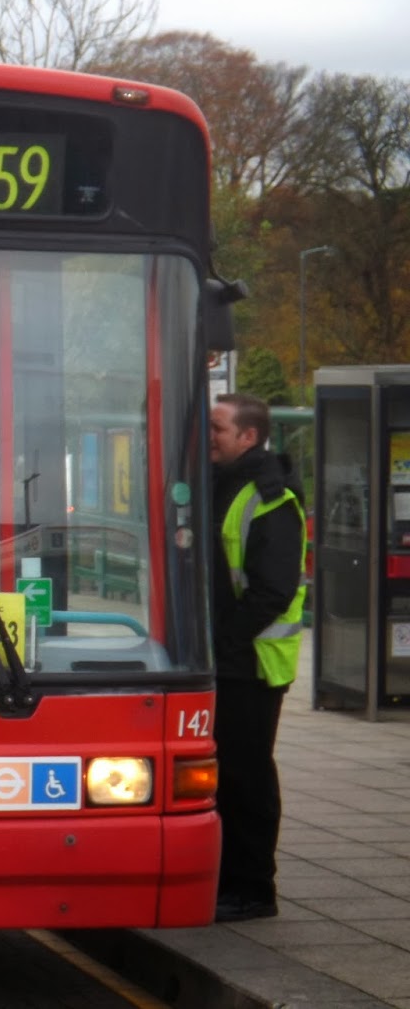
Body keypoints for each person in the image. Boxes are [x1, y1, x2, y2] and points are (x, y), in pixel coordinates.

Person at [208, 392, 305, 923]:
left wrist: (224, 640)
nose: (210, 436)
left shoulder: (271, 498)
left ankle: (253, 889)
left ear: (248, 436)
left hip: (252, 663)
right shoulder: (223, 484)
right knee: (222, 775)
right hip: (224, 658)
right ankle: (225, 879)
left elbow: (272, 591)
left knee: (246, 776)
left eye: (219, 428)